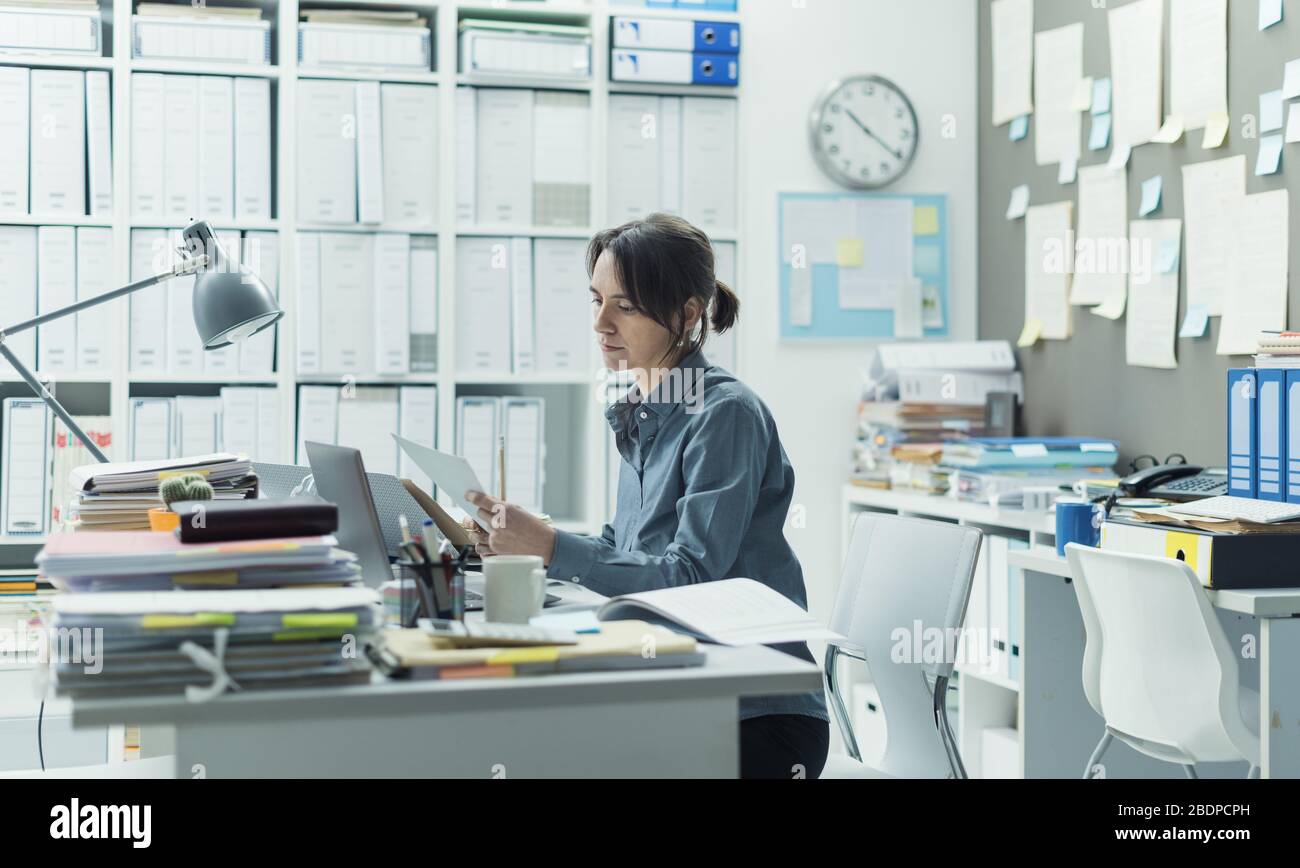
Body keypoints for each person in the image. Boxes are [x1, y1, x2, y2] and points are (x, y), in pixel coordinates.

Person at [463, 213, 828, 779]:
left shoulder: (724, 413)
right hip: (677, 692)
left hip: (756, 716)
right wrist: (526, 546)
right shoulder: (644, 409)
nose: (601, 323)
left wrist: (554, 545)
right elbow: (623, 545)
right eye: (596, 300)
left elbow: (690, 579)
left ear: (687, 313)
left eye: (625, 306)